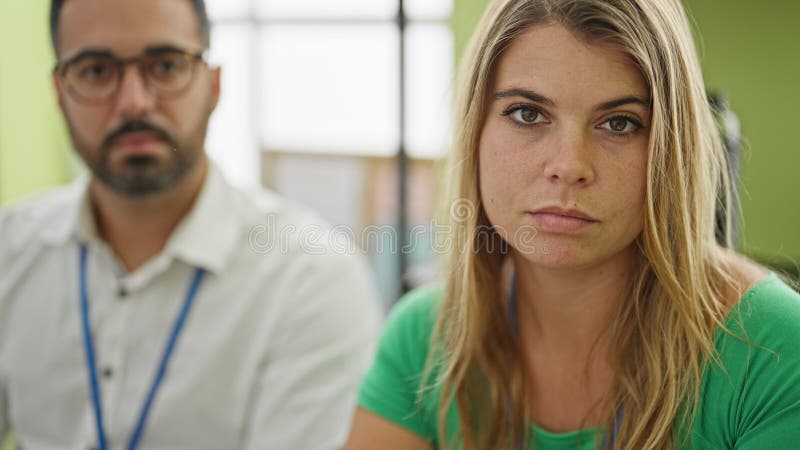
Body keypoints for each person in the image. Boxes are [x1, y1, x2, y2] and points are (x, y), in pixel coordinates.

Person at [346, 0, 800, 449]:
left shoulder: (775, 351)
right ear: (476, 131)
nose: (569, 165)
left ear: (670, 148)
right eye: (528, 113)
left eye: (619, 123)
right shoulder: (424, 337)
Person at [0, 0, 382, 449]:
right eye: (96, 71)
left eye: (165, 65)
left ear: (214, 84)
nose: (134, 102)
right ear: (59, 92)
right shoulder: (11, 248)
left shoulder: (309, 278)